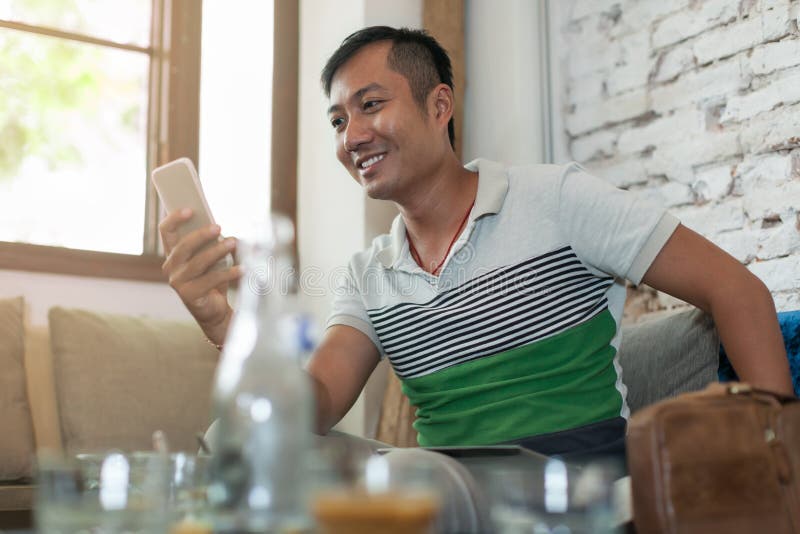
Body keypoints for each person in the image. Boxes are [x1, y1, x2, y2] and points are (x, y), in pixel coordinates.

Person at [160, 26, 794, 459]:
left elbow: (734, 288)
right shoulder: (368, 274)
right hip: (447, 498)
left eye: (370, 104)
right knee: (231, 440)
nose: (351, 136)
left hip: (574, 492)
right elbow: (313, 407)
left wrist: (778, 460)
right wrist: (226, 324)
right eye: (337, 119)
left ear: (440, 106)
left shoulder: (556, 200)